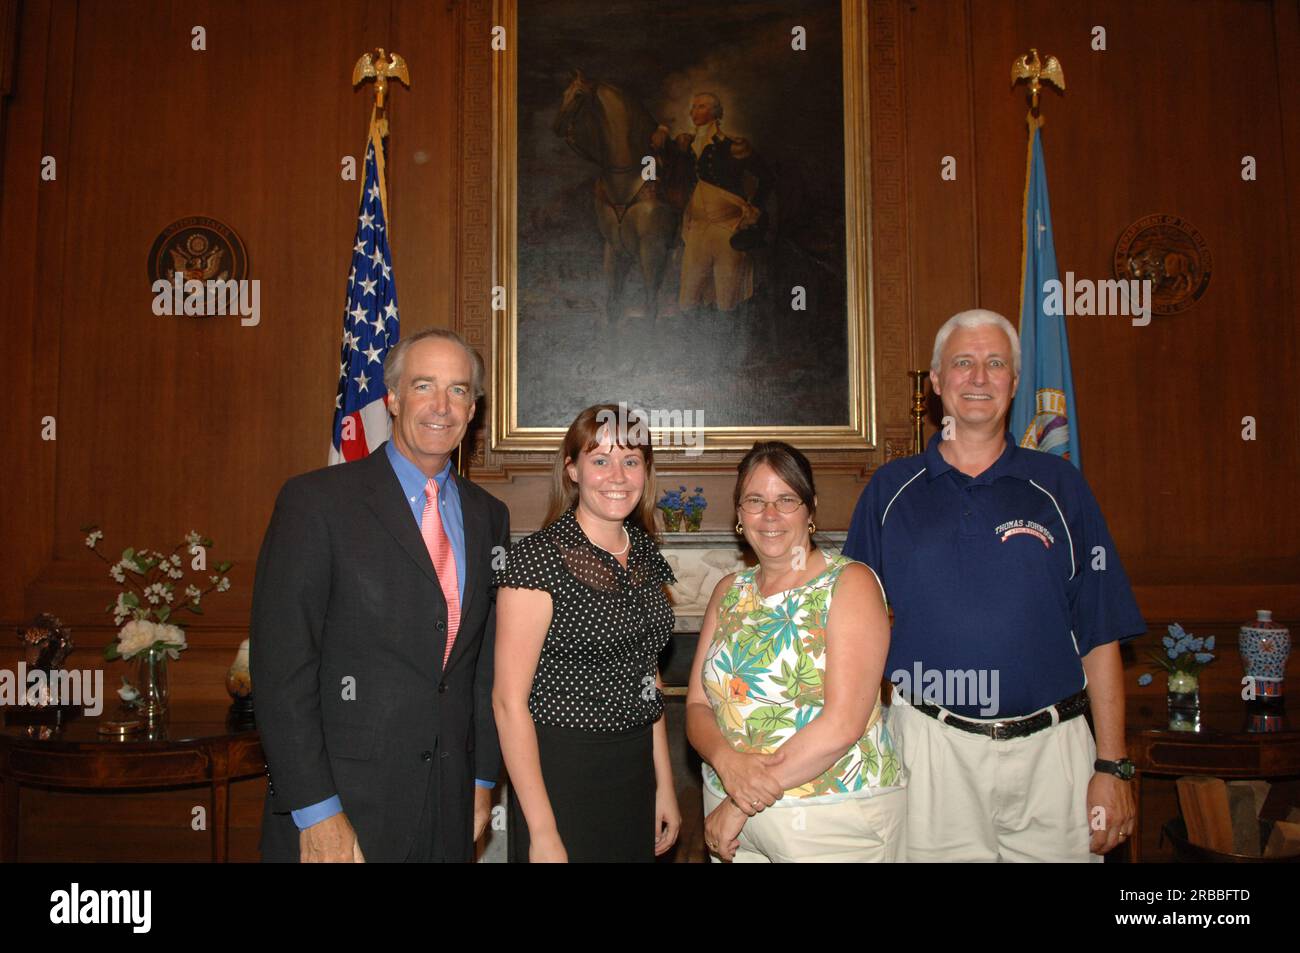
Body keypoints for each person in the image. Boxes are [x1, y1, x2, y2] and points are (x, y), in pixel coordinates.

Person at [843, 309, 1145, 862]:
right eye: (963, 363)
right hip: (931, 754)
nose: (979, 377)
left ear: (1013, 381)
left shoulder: (1062, 487)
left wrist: (1111, 765)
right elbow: (847, 639)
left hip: (1054, 756)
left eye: (995, 364)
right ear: (936, 383)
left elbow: (1100, 632)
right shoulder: (889, 492)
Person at [251, 328, 510, 862]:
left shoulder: (490, 516)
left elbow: (483, 664)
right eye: (423, 386)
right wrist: (316, 810)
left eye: (458, 390)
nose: (441, 406)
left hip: (448, 806)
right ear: (392, 398)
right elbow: (282, 668)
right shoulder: (316, 504)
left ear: (473, 408)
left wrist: (482, 780)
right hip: (343, 806)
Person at [686, 441, 904, 862]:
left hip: (831, 820)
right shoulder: (728, 591)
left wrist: (740, 802)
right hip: (731, 823)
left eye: (786, 499)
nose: (770, 516)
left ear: (810, 509)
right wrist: (726, 762)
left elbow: (843, 724)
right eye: (755, 500)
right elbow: (696, 704)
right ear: (738, 513)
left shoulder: (850, 584)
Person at [493, 404, 681, 862]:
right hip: (562, 773)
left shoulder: (644, 554)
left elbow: (647, 678)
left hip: (634, 770)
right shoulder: (537, 560)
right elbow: (507, 702)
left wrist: (665, 786)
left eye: (631, 461)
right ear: (573, 470)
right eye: (600, 460)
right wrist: (541, 830)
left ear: (646, 471)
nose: (617, 475)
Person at [653, 92, 771, 313]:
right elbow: (663, 161)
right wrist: (662, 130)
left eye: (701, 107)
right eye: (693, 107)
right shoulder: (685, 145)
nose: (693, 112)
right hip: (697, 229)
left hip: (727, 229)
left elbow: (766, 177)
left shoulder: (733, 146)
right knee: (687, 301)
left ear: (715, 112)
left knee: (727, 302)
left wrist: (753, 210)